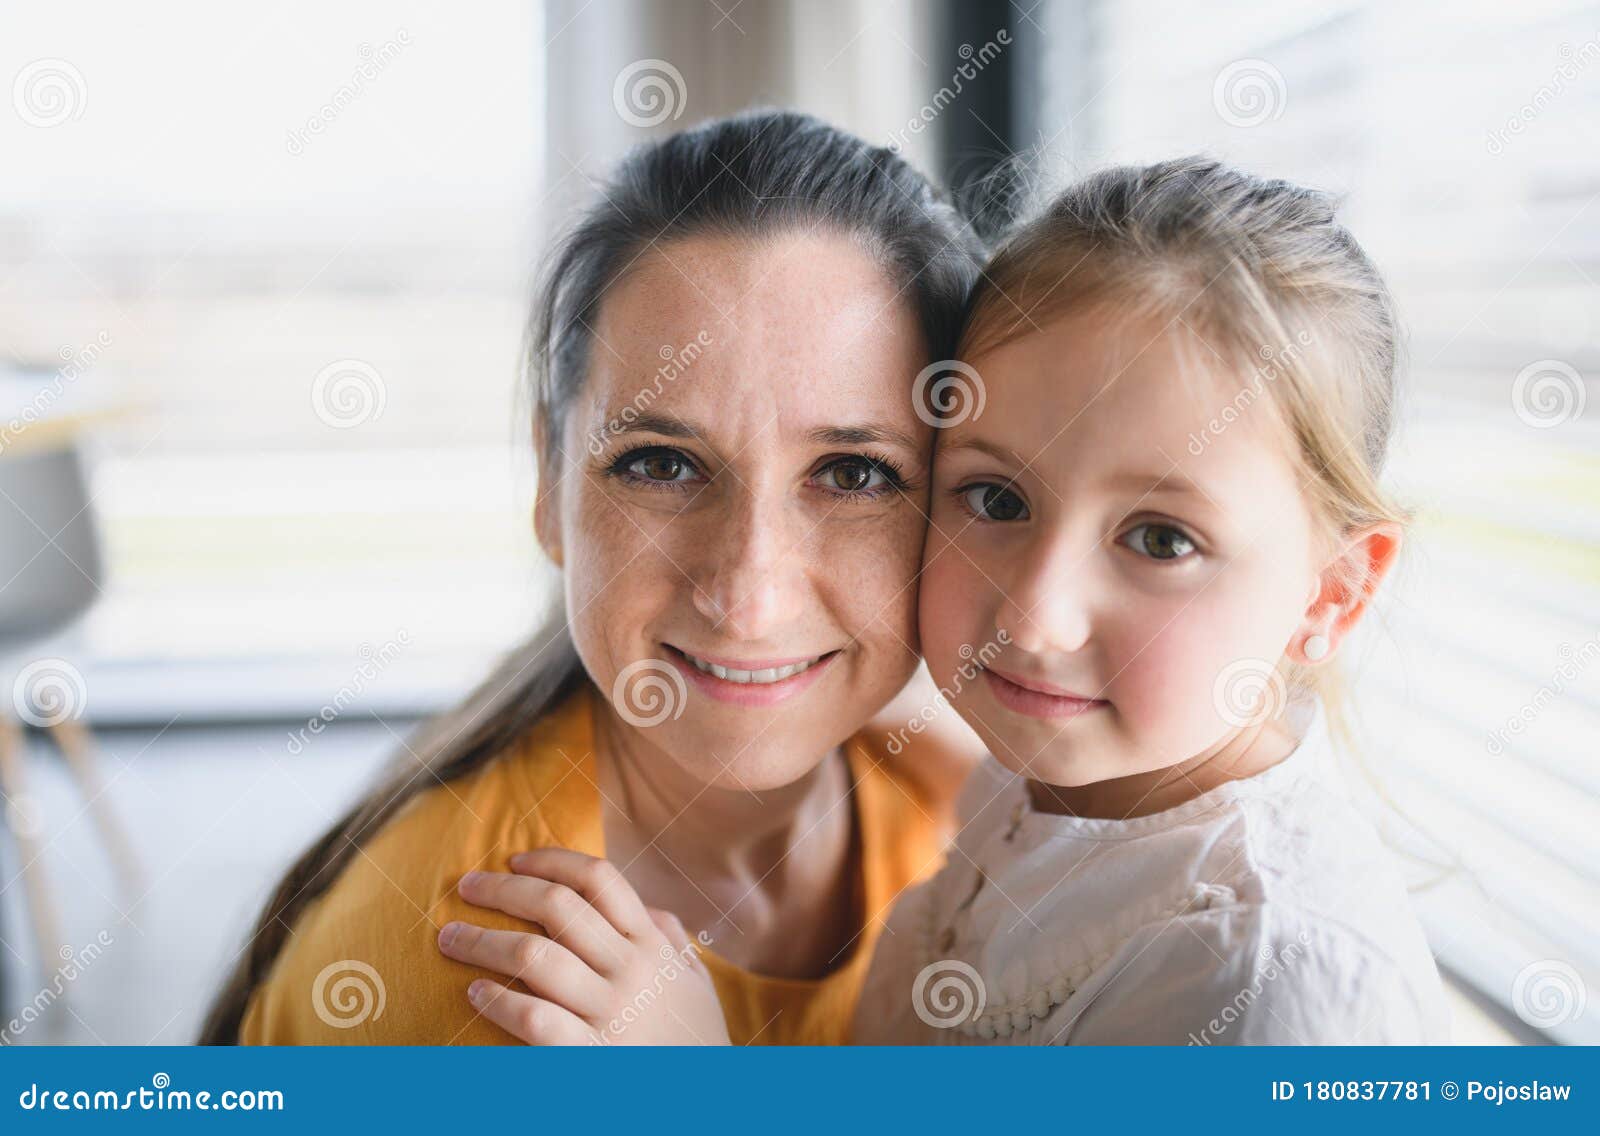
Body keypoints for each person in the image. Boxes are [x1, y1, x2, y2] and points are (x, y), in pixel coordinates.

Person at [199, 109, 984, 1045]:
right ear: (549, 483)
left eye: (854, 475)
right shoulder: (498, 978)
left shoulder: (963, 820)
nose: (747, 595)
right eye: (660, 463)